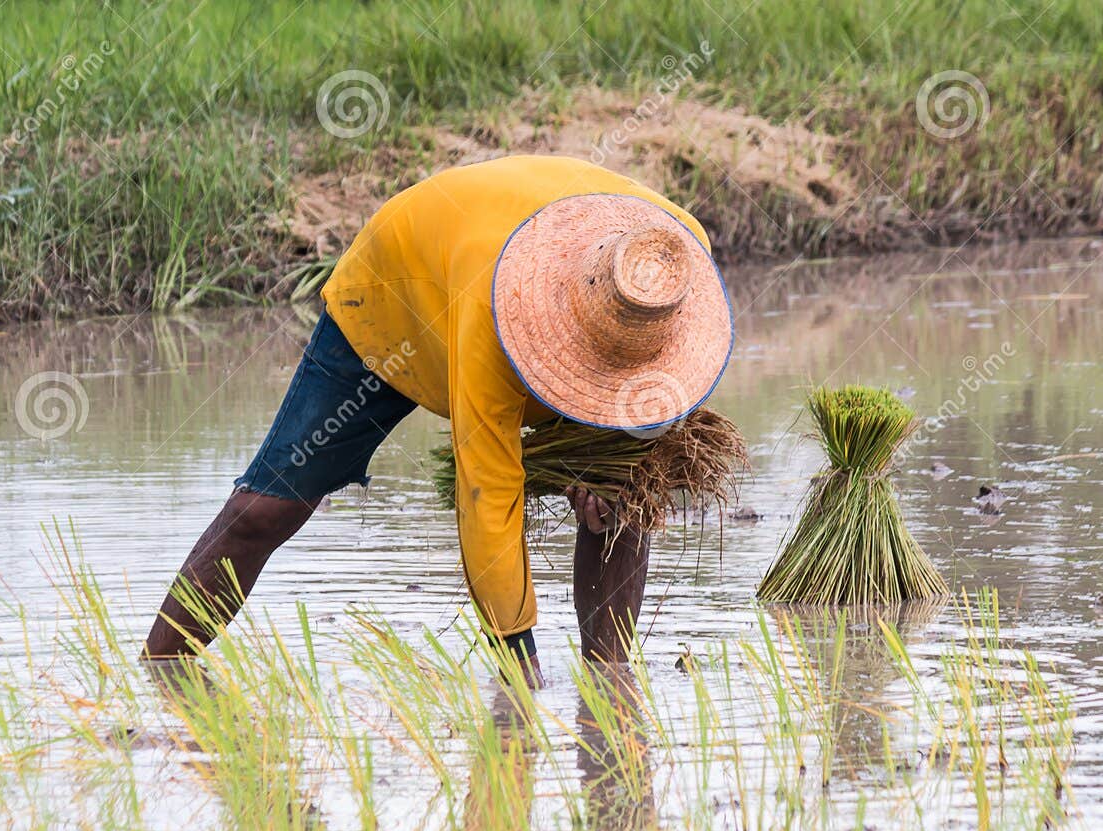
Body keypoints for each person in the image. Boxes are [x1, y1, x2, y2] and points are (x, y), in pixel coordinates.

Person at [142, 155, 734, 683]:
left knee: (619, 496)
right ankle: (158, 676)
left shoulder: (671, 264)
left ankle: (612, 686)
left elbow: (661, 415)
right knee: (267, 509)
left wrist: (612, 449)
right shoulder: (491, 318)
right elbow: (487, 496)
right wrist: (518, 665)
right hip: (401, 292)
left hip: (568, 296)